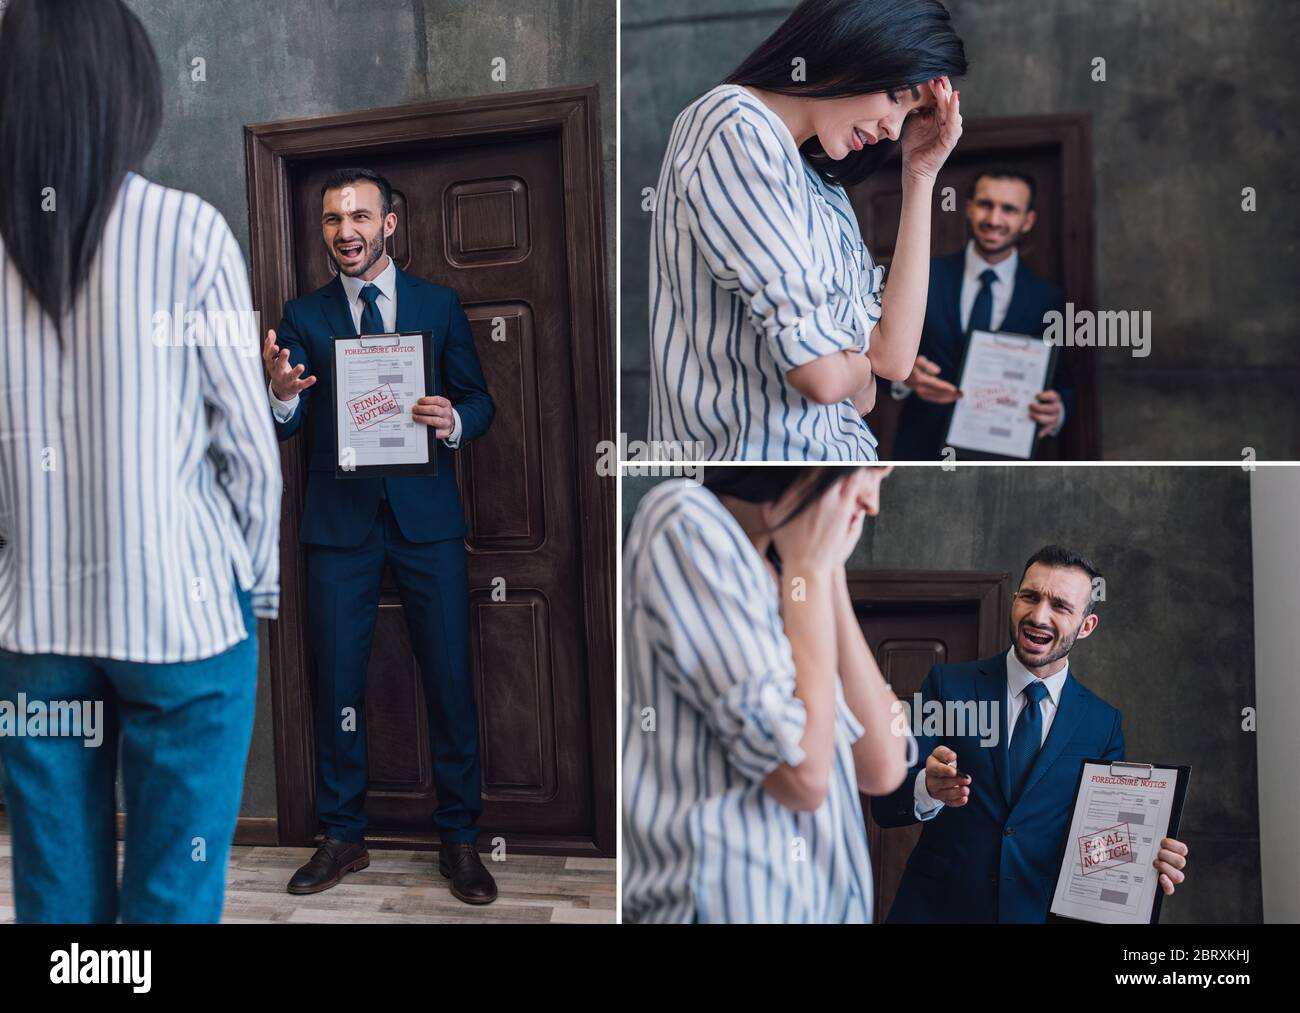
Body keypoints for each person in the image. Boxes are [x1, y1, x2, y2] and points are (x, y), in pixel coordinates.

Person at [0, 0, 281, 922]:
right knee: (172, 898)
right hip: (183, 622)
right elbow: (249, 450)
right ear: (126, 89)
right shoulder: (187, 232)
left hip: (35, 628)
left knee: (56, 906)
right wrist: (254, 590)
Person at [262, 167, 498, 904]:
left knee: (450, 678)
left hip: (427, 522)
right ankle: (343, 836)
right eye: (334, 220)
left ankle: (460, 839)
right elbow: (290, 421)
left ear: (389, 223)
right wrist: (278, 395)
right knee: (338, 682)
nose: (346, 231)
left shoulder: (438, 304)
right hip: (339, 528)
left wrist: (453, 420)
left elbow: (480, 400)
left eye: (360, 217)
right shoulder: (302, 315)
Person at [646, 0, 967, 461]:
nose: (894, 131)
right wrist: (858, 373)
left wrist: (920, 175)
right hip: (758, 476)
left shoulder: (821, 186)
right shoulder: (733, 125)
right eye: (897, 96)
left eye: (911, 113)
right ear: (855, 47)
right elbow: (824, 376)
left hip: (829, 473)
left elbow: (893, 359)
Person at [622, 466, 912, 922]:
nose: (872, 503)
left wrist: (825, 573)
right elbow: (802, 777)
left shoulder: (794, 580)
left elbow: (884, 767)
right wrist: (809, 570)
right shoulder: (685, 519)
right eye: (868, 475)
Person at [872, 546, 1191, 922]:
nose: (1038, 616)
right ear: (1014, 601)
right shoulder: (946, 685)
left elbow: (1092, 847)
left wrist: (1141, 859)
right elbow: (885, 805)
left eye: (1060, 606)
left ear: (1086, 626)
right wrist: (926, 788)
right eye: (1030, 597)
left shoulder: (1102, 724)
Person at [891, 166, 1074, 459]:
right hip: (920, 450)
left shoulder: (1048, 299)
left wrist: (1058, 410)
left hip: (1005, 458)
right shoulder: (924, 276)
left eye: (1009, 209)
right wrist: (904, 377)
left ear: (1028, 221)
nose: (994, 220)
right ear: (968, 208)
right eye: (986, 205)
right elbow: (879, 356)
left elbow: (1064, 382)